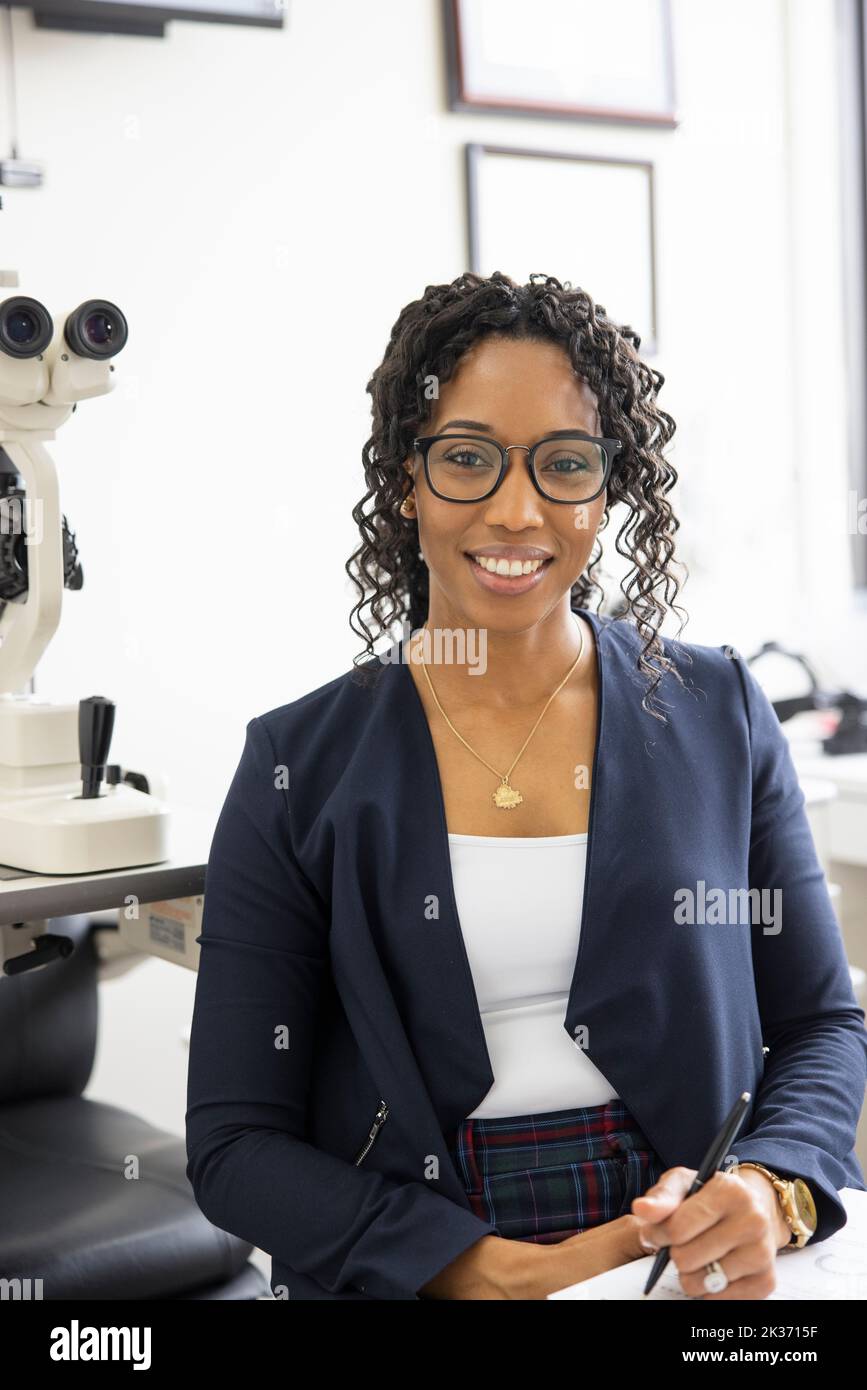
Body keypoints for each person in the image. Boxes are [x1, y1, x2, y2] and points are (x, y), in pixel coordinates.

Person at [185, 271, 867, 1301]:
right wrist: (484, 1273)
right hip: (416, 1253)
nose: (515, 510)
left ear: (610, 488)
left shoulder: (722, 709)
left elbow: (822, 1022)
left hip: (688, 1249)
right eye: (466, 458)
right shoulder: (297, 763)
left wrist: (775, 1185)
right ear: (405, 481)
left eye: (564, 464)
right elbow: (235, 1142)